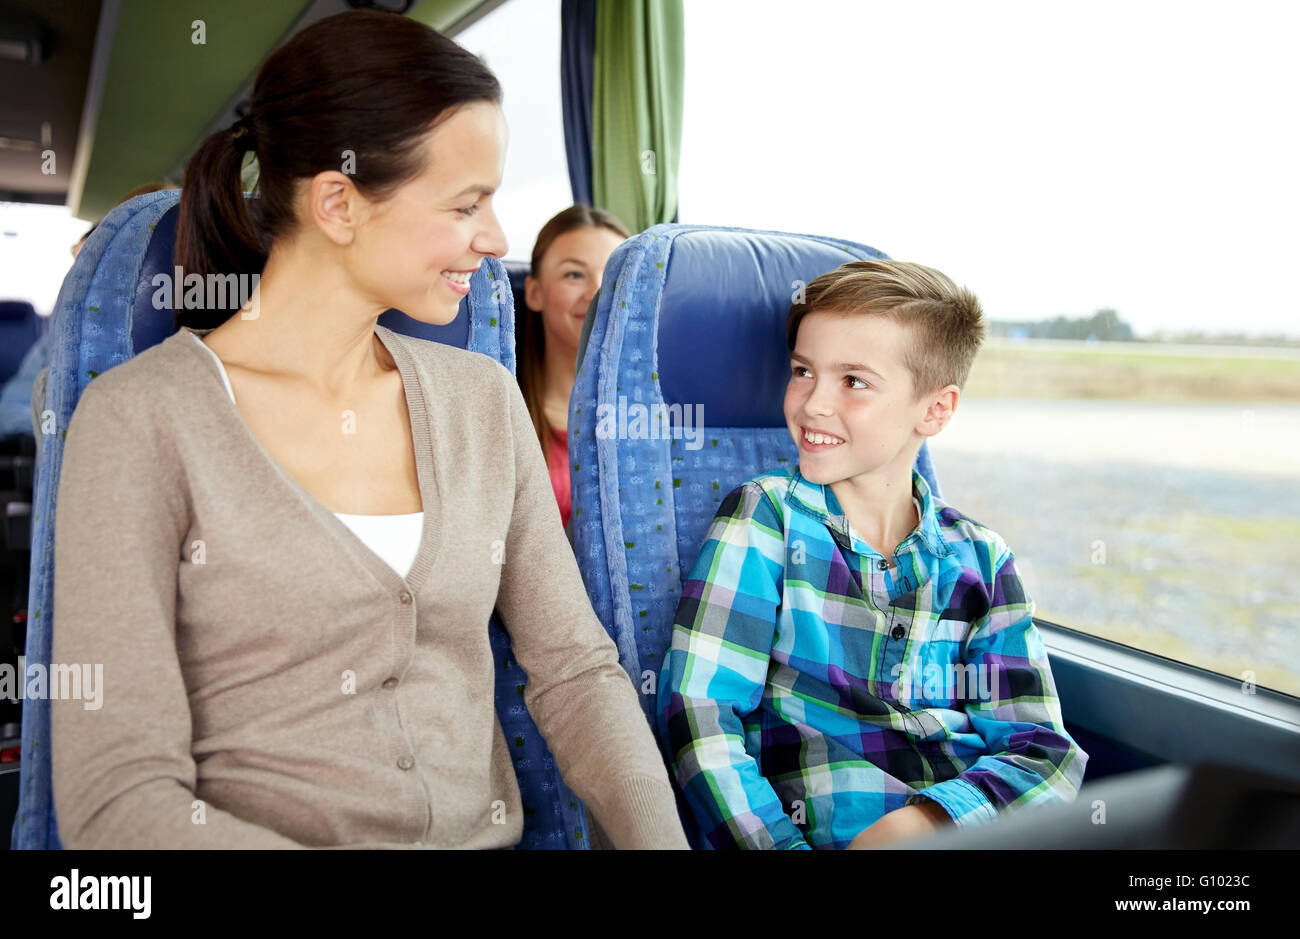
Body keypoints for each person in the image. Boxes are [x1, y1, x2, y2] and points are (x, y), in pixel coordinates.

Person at [50, 10, 688, 850]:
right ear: (339, 203)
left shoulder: (484, 402)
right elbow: (120, 800)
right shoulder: (141, 420)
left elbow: (577, 673)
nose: (495, 241)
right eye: (467, 204)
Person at [655, 259, 1087, 849]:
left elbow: (1041, 750)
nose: (813, 405)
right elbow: (700, 720)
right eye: (803, 371)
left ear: (935, 409)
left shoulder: (982, 559)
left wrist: (929, 820)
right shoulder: (766, 520)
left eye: (853, 382)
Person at [518, 205, 628, 527]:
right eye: (574, 275)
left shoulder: (658, 417)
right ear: (535, 293)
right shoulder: (502, 414)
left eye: (613, 276)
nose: (597, 294)